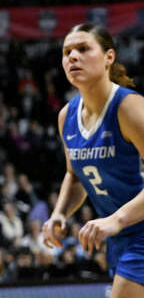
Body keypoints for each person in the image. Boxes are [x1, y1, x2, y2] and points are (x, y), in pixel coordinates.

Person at [42, 24, 144, 296]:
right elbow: (75, 175)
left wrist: (117, 219)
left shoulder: (129, 108)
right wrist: (59, 213)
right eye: (67, 52)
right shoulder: (66, 116)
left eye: (83, 49)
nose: (73, 57)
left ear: (109, 57)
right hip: (119, 237)